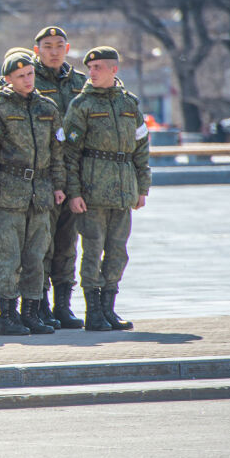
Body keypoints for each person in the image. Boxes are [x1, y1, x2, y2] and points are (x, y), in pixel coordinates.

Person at [0, 51, 67, 336]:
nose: (27, 80)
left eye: (29, 74)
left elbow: (57, 151)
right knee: (9, 257)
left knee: (36, 256)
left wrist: (59, 185)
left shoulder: (48, 107)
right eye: (20, 76)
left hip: (40, 192)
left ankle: (31, 313)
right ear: (8, 80)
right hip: (10, 191)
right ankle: (8, 315)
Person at [63, 46, 150, 332]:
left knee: (117, 252)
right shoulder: (82, 105)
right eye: (90, 67)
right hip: (92, 193)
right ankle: (94, 312)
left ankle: (109, 308)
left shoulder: (130, 104)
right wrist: (74, 192)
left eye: (99, 67)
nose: (92, 72)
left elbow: (141, 148)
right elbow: (71, 153)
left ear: (114, 69)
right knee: (92, 251)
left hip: (123, 191)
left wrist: (142, 187)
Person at [32, 26, 88, 329]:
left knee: (68, 244)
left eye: (58, 45)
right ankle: (38, 304)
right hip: (41, 176)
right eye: (47, 45)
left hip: (74, 176)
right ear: (37, 49)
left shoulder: (81, 83)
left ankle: (63, 305)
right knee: (41, 244)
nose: (53, 51)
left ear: (67, 48)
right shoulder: (28, 81)